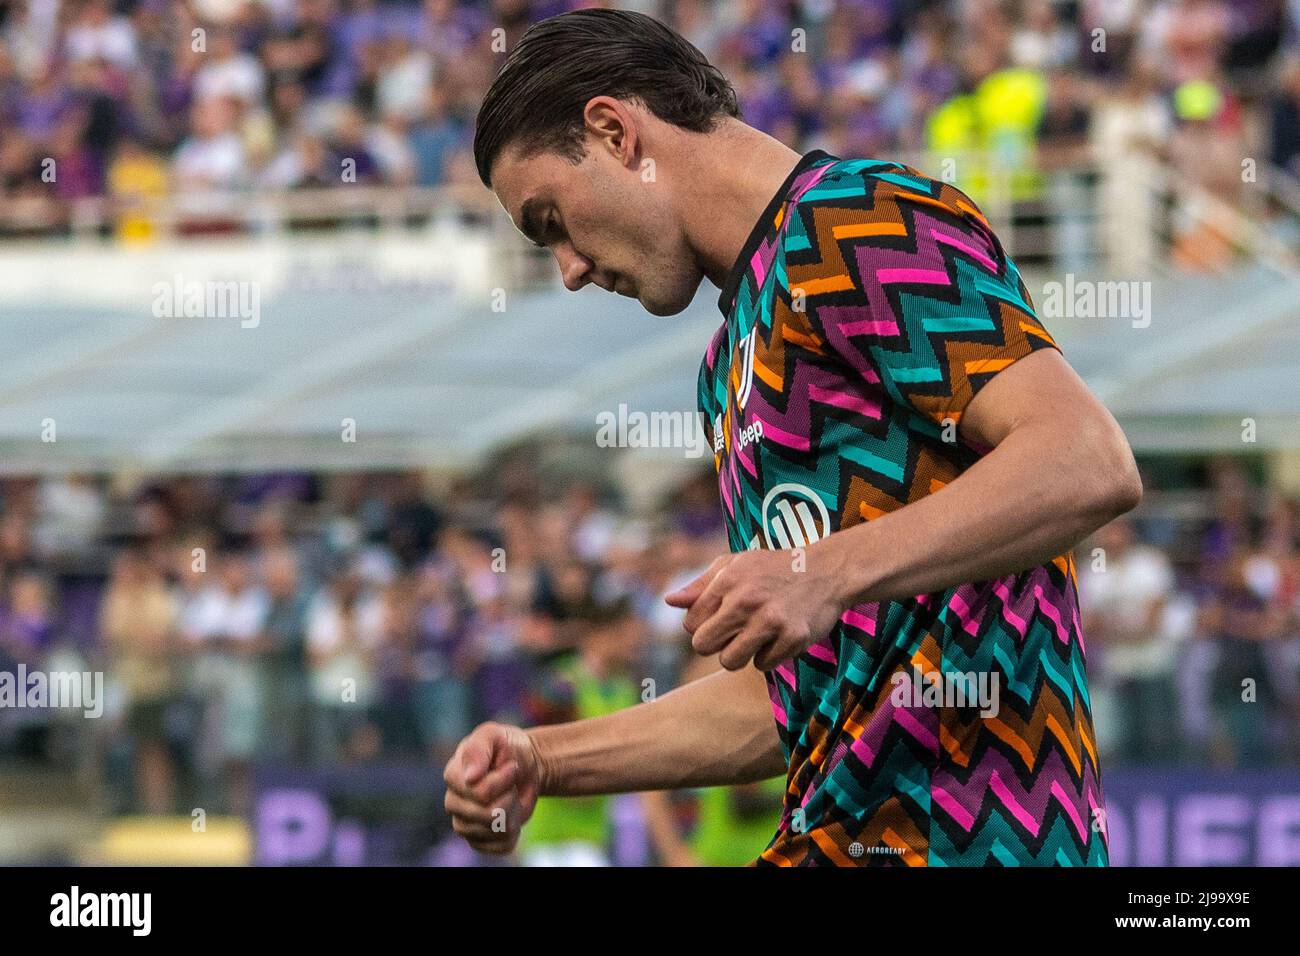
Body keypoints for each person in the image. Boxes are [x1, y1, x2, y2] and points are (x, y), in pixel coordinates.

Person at [444, 9, 1140, 866]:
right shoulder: (728, 360)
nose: (571, 269)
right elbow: (791, 702)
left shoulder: (854, 220)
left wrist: (825, 571)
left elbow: (1085, 458)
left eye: (551, 220)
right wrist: (544, 759)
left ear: (614, 131)